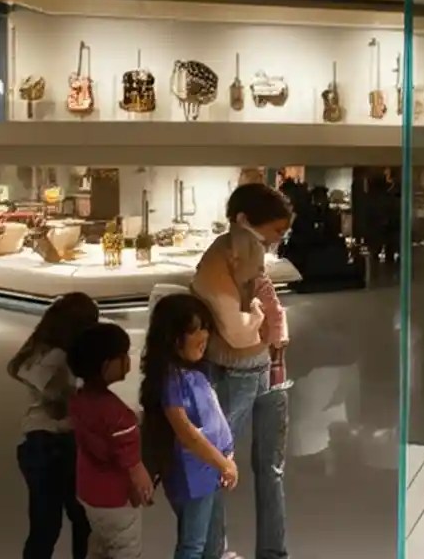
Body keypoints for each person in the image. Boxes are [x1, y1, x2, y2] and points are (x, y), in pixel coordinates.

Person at [191, 182, 293, 559]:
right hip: (239, 369)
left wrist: (266, 323)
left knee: (261, 469)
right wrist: (264, 318)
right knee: (222, 467)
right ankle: (217, 552)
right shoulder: (227, 252)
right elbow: (236, 328)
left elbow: (261, 310)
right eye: (276, 231)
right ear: (245, 220)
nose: (274, 241)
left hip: (262, 367)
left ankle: (264, 552)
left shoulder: (242, 250)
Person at [140, 293, 239, 559]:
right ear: (174, 337)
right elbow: (187, 434)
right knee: (193, 544)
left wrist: (223, 459)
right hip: (195, 474)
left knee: (208, 543)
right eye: (195, 330)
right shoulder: (171, 379)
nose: (204, 336)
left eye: (205, 327)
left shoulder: (191, 373)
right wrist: (224, 463)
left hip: (209, 471)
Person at [8, 292, 100, 559]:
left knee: (44, 526)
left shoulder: (37, 350)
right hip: (57, 443)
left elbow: (18, 370)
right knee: (80, 520)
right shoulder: (60, 357)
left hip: (34, 444)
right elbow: (59, 404)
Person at [68, 322, 154, 559]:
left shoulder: (78, 400)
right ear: (106, 365)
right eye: (123, 355)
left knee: (100, 545)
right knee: (126, 549)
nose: (128, 360)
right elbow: (132, 465)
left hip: (87, 492)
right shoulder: (119, 416)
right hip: (116, 500)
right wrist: (144, 489)